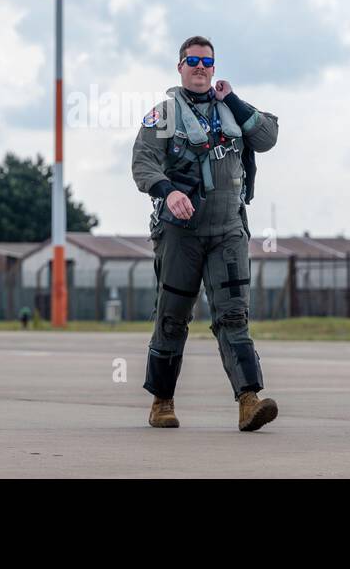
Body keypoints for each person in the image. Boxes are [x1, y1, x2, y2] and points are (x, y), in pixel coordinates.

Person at [131, 35, 280, 431]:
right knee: (172, 317)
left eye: (207, 62)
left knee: (234, 316)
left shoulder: (232, 111)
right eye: (192, 60)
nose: (200, 67)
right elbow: (143, 164)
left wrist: (232, 99)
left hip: (228, 230)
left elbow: (266, 138)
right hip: (181, 233)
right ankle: (162, 401)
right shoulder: (164, 115)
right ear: (179, 67)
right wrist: (169, 190)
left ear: (214, 68)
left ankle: (249, 400)